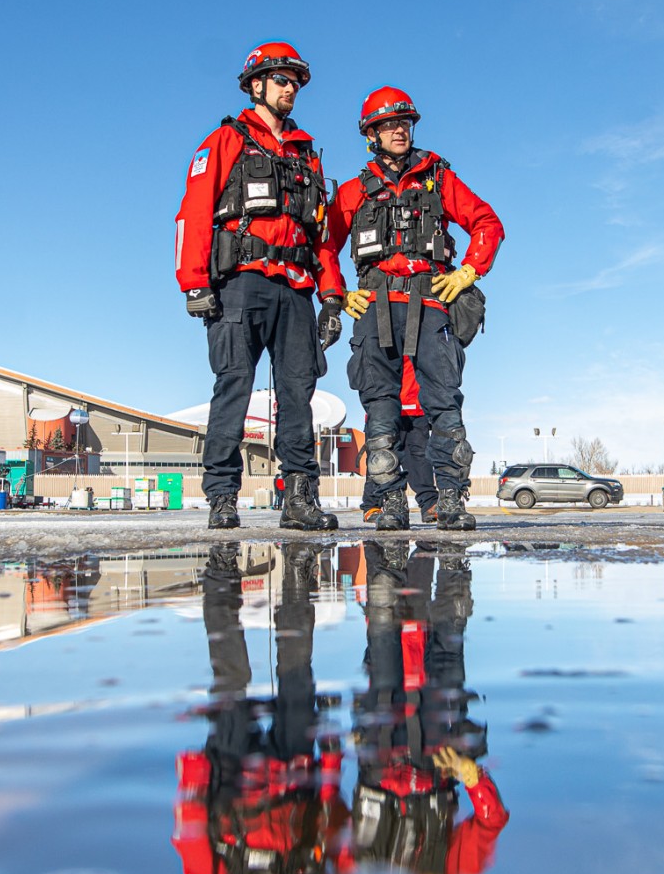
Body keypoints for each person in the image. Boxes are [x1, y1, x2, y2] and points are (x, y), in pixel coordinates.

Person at [172, 543, 347, 874]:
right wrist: (330, 767)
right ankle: (297, 579)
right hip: (294, 778)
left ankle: (220, 579)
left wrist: (192, 778)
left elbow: (194, 851)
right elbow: (320, 847)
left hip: (232, 782)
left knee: (232, 682)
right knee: (298, 679)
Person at [176, 40, 344, 532]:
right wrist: (194, 282)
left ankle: (299, 498)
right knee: (234, 386)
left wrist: (332, 296)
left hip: (295, 290)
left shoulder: (307, 155)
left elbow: (321, 235)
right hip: (239, 287)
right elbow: (193, 213)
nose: (290, 88)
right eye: (281, 79)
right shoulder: (224, 141)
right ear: (256, 85)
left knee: (299, 393)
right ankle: (223, 497)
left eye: (295, 81)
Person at [325, 87, 504, 532]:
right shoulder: (353, 192)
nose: (398, 129)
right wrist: (338, 292)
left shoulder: (440, 180)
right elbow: (322, 245)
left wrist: (467, 273)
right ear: (372, 134)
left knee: (444, 403)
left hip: (431, 302)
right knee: (379, 406)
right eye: (387, 124)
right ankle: (389, 503)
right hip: (376, 306)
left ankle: (450, 501)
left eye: (404, 121)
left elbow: (487, 222)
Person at [344, 540, 507, 874]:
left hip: (381, 740)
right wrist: (473, 777)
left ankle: (386, 543)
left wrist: (330, 756)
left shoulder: (355, 872)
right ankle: (450, 550)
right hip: (440, 751)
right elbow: (491, 823)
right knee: (447, 644)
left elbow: (325, 817)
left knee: (384, 635)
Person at [360, 362, 438, 524]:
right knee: (381, 459)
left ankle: (429, 503)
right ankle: (372, 505)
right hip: (381, 409)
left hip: (415, 407)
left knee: (421, 458)